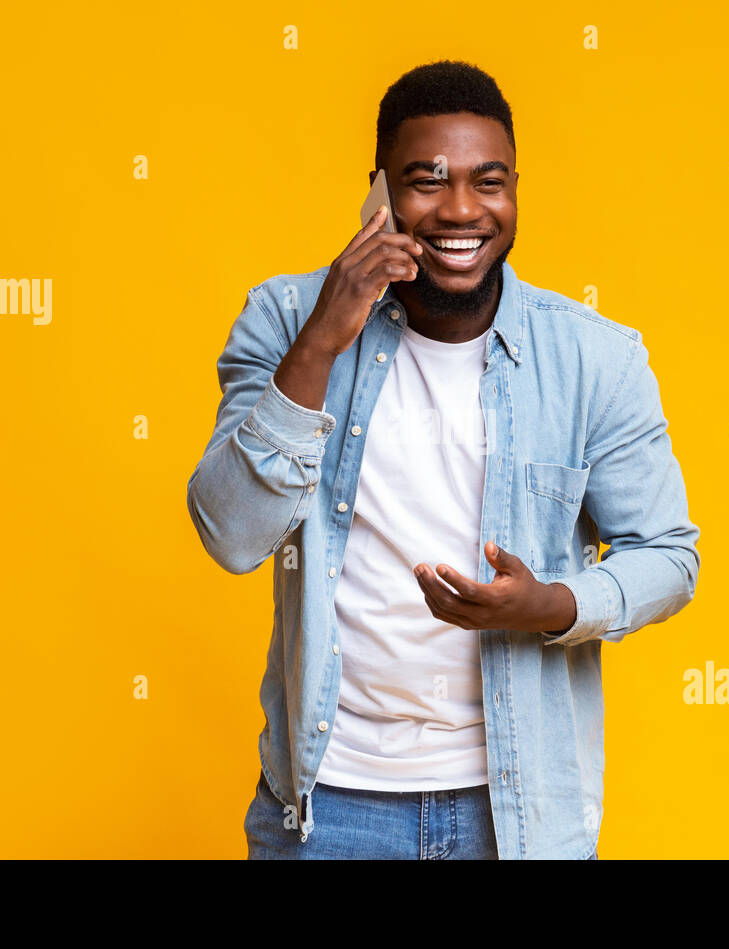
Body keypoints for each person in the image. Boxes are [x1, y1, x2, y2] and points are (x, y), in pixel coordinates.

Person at [187, 59, 700, 859]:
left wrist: (552, 604)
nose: (461, 208)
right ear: (379, 193)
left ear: (516, 191)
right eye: (427, 180)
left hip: (520, 814)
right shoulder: (286, 317)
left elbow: (669, 556)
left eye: (487, 181)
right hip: (330, 813)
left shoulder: (597, 360)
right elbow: (230, 532)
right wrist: (325, 336)